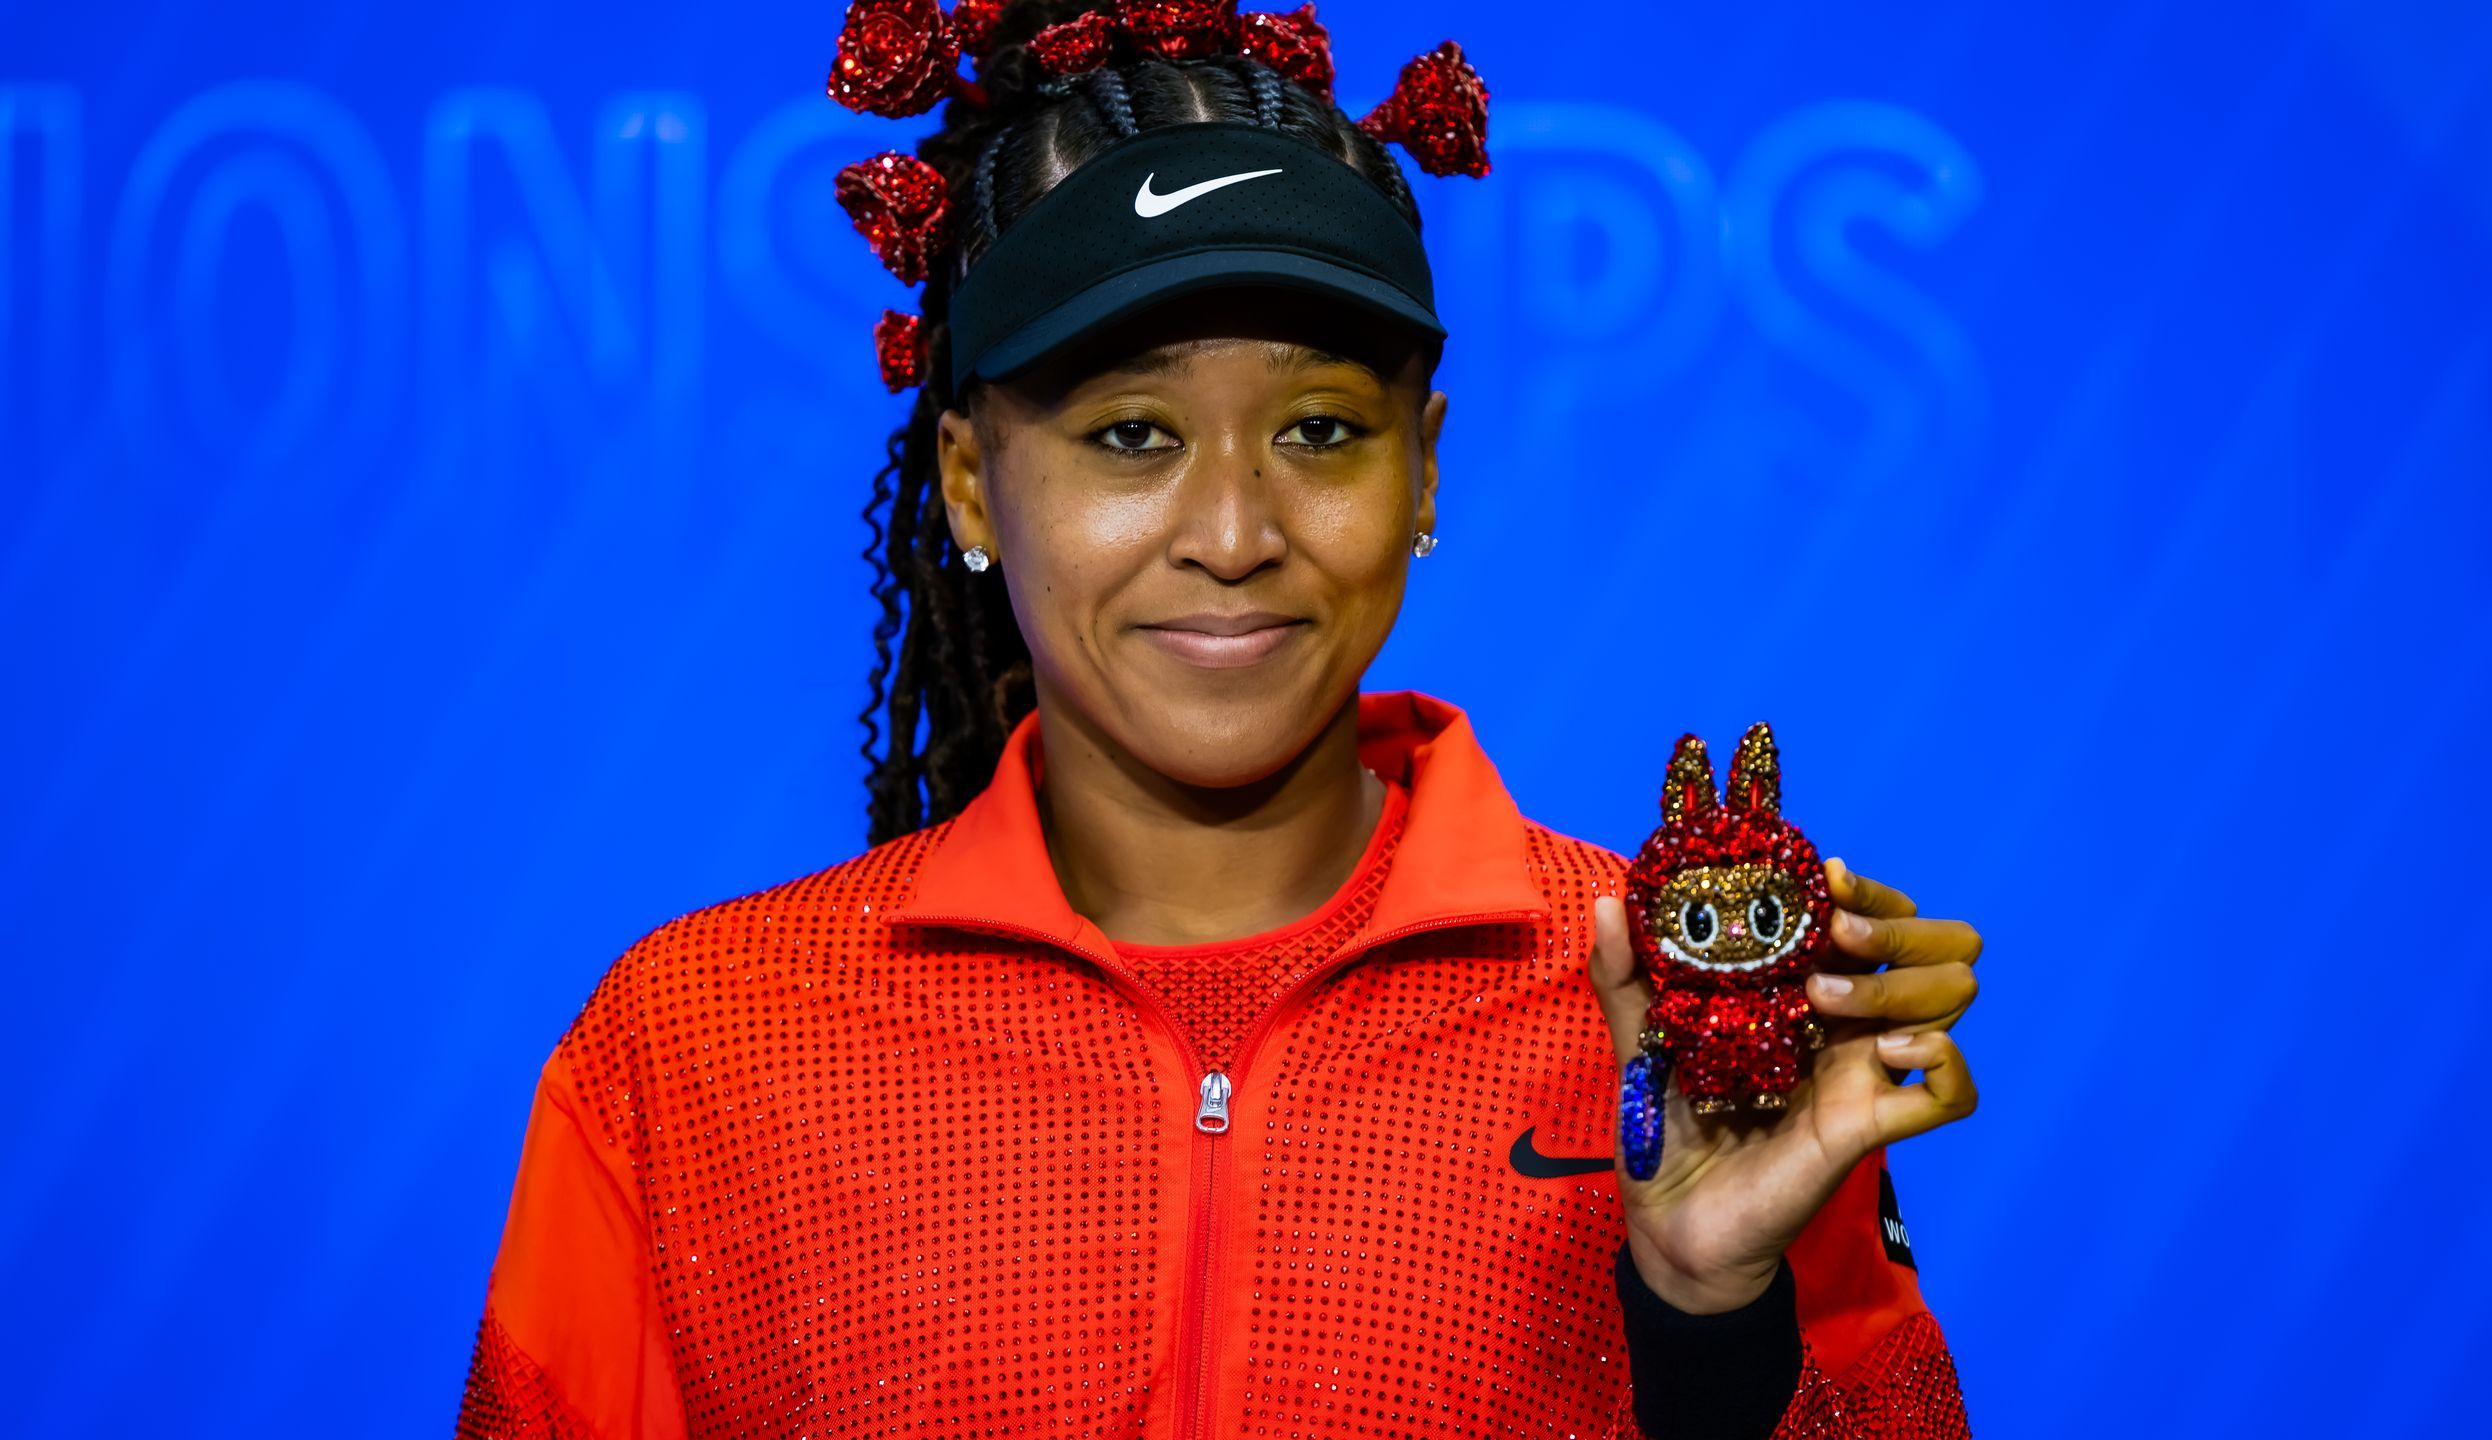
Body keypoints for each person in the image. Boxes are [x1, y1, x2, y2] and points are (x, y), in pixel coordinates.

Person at [455, 4, 1983, 1437]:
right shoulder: (692, 1047)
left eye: (1321, 430)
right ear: (973, 477)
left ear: (1426, 469)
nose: (1237, 530)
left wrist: (1711, 1324)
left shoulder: (1686, 1027)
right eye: (1133, 435)